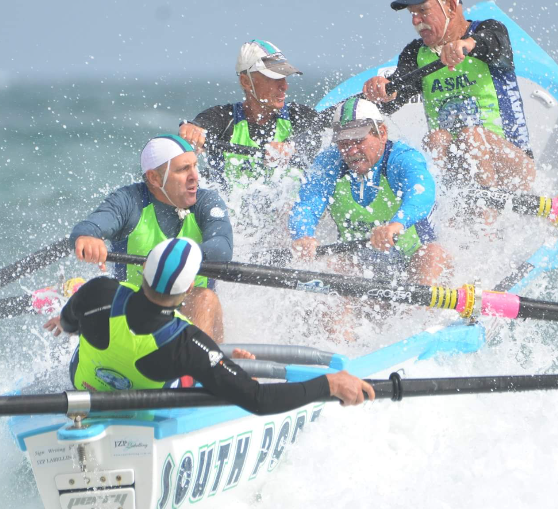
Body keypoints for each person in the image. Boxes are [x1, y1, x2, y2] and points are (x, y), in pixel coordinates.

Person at [44, 238, 375, 414]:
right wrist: (327, 385)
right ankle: (233, 372)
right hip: (143, 413)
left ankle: (230, 371)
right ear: (188, 289)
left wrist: (65, 320)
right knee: (209, 373)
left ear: (144, 269)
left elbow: (70, 322)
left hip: (82, 391)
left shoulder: (99, 291)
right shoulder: (188, 342)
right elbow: (258, 401)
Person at [69, 134, 232, 343]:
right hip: (136, 320)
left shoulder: (206, 201)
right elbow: (89, 226)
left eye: (194, 166)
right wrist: (87, 237)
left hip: (193, 321)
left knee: (205, 299)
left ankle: (193, 374)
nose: (195, 177)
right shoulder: (129, 201)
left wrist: (171, 257)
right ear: (154, 178)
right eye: (183, 169)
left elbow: (222, 248)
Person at [362, 0, 535, 192]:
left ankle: (487, 215)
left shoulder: (489, 30)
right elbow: (397, 93)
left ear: (451, 7)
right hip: (462, 169)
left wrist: (467, 44)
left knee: (470, 136)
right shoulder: (415, 53)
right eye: (412, 13)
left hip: (516, 168)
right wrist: (384, 91)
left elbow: (492, 41)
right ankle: (445, 212)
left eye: (422, 10)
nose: (416, 21)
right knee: (435, 139)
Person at [289, 98, 451, 286]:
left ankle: (423, 313)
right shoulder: (329, 164)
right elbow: (306, 206)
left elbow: (422, 195)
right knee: (333, 265)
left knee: (431, 255)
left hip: (414, 262)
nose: (351, 151)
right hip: (361, 268)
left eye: (359, 140)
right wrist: (303, 235)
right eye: (343, 143)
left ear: (382, 133)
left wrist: (396, 224)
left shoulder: (403, 159)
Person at [178, 40, 330, 192]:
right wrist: (191, 130)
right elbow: (200, 125)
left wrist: (292, 147)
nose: (284, 86)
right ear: (246, 82)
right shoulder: (224, 118)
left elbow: (319, 134)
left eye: (284, 77)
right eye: (275, 78)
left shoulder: (297, 115)